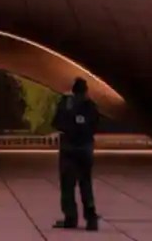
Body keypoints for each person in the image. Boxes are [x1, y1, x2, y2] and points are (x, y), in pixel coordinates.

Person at [52, 77, 99, 231]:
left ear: (73, 90)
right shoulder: (90, 105)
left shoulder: (66, 103)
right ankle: (91, 218)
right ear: (86, 91)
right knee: (86, 184)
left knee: (67, 185)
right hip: (85, 148)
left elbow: (56, 122)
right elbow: (96, 125)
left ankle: (70, 218)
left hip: (68, 149)